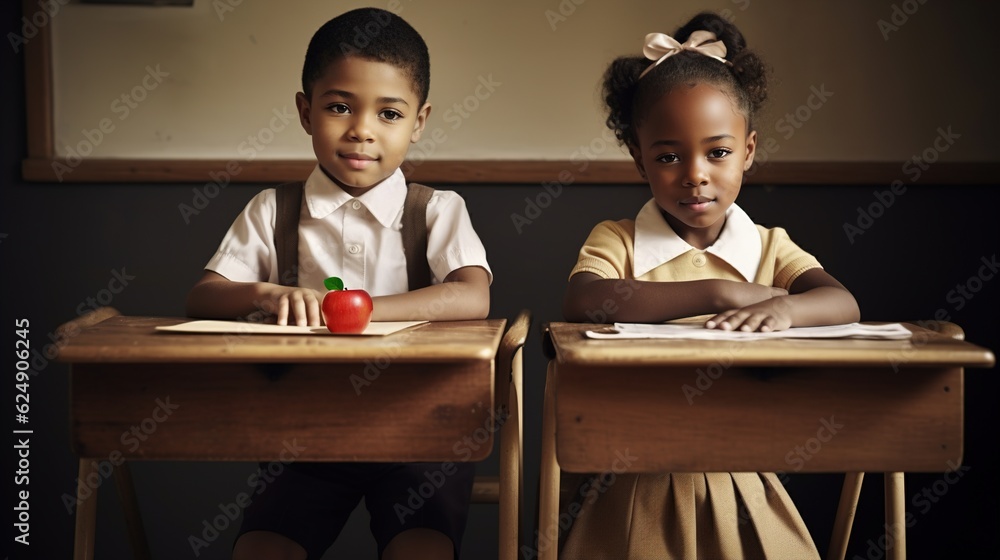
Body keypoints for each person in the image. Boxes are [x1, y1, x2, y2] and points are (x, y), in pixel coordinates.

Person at [186, 8, 491, 560]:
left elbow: (471, 294)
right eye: (338, 107)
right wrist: (265, 294)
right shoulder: (272, 210)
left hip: (419, 435)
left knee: (421, 550)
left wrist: (362, 309)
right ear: (306, 111)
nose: (362, 130)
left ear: (418, 122)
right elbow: (204, 295)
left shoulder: (438, 210)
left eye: (389, 113)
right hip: (304, 435)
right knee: (259, 550)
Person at [560, 11, 860, 559]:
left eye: (717, 152)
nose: (694, 173)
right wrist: (719, 294)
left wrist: (787, 312)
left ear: (747, 151)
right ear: (639, 159)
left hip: (744, 484)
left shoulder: (770, 247)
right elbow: (586, 299)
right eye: (668, 156)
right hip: (634, 486)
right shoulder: (619, 240)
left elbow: (843, 302)